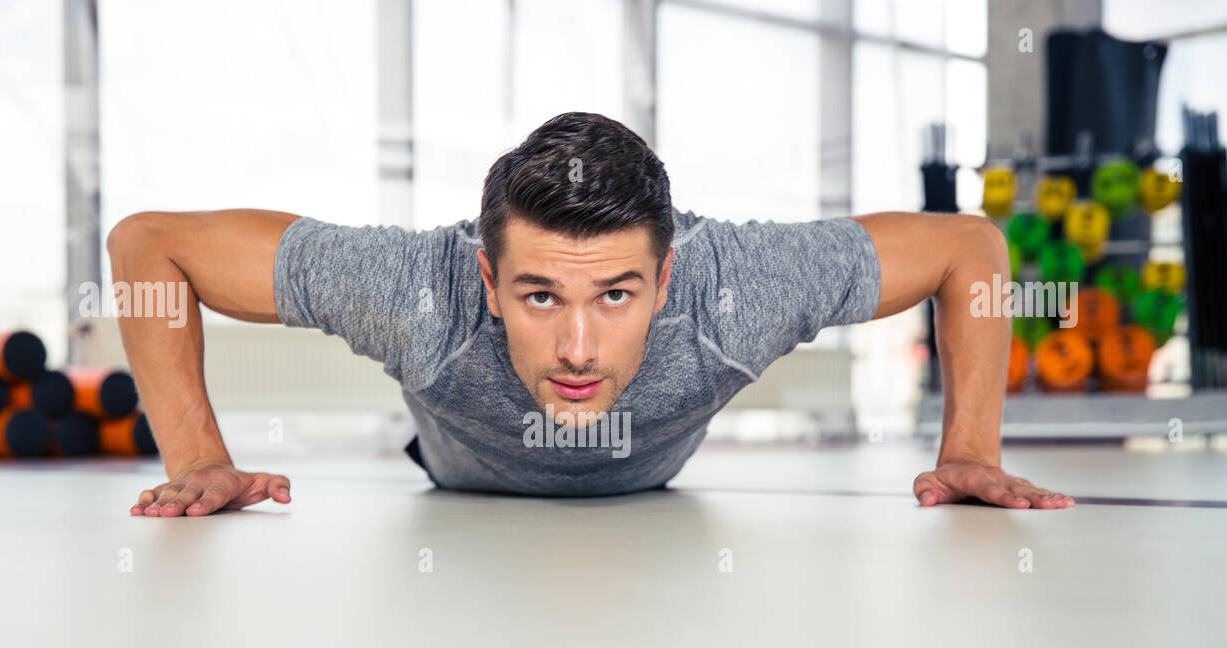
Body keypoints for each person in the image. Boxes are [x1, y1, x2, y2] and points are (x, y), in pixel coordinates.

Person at [109, 111, 1073, 517]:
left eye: (615, 295)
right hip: (456, 471)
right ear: (486, 282)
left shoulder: (738, 287)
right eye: (538, 296)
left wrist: (970, 454)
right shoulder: (414, 293)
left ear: (667, 276)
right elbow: (149, 244)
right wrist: (199, 462)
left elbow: (970, 249)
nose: (577, 349)